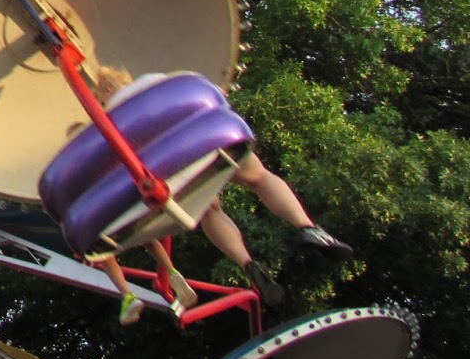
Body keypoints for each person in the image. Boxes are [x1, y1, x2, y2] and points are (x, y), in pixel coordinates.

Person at [99, 68, 353, 308]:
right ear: (123, 79)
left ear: (103, 94)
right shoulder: (153, 81)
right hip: (203, 136)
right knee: (258, 177)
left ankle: (247, 264)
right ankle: (307, 227)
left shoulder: (109, 118)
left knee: (210, 210)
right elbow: (202, 91)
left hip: (168, 168)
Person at [73, 68, 201, 325]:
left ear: (106, 91)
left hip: (119, 204)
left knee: (98, 246)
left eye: (101, 98)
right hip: (149, 186)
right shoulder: (144, 97)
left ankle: (127, 295)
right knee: (145, 234)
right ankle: (173, 272)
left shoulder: (109, 122)